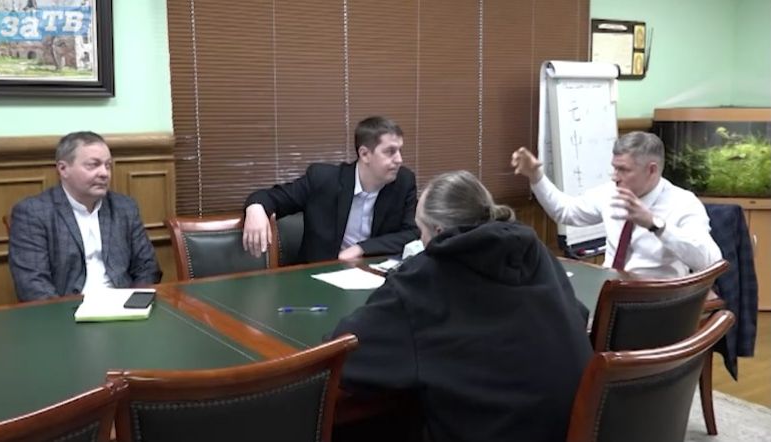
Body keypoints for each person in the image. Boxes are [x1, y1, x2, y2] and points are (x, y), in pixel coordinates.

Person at [331, 170, 592, 442]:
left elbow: (344, 356)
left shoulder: (427, 277)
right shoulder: (536, 252)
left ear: (439, 233)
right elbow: (579, 314)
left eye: (421, 231)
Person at [512, 131, 722, 278]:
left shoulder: (683, 203)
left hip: (656, 298)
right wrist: (536, 177)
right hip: (610, 289)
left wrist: (655, 225)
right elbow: (565, 212)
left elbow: (711, 261)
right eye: (614, 168)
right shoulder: (610, 193)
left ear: (651, 170)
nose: (614, 177)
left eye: (623, 170)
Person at [8, 131, 162, 302]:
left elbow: (147, 267)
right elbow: (32, 284)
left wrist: (136, 303)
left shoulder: (124, 207)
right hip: (67, 309)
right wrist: (65, 314)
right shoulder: (33, 213)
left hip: (124, 305)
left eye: (108, 165)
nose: (104, 173)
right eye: (93, 165)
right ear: (63, 169)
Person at [242, 116, 418, 263]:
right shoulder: (323, 179)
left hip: (375, 276)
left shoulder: (403, 182)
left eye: (400, 151)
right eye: (390, 152)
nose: (399, 159)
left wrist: (362, 248)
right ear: (365, 154)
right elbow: (271, 197)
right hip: (319, 277)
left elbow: (413, 233)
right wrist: (255, 207)